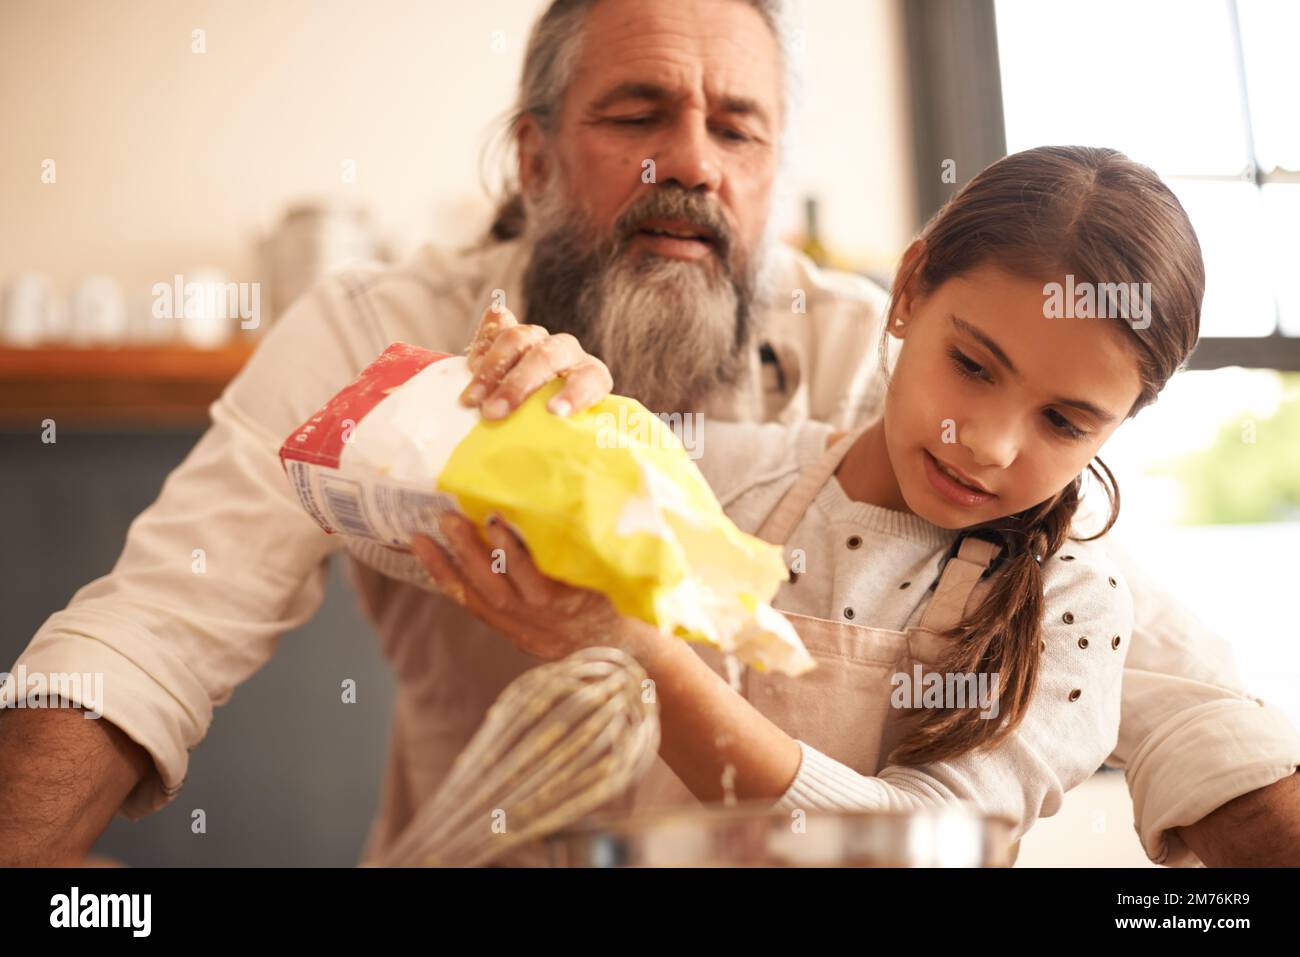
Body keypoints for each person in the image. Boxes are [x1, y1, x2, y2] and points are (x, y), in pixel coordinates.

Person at [2, 0, 1297, 867]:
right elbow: (151, 636)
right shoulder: (377, 338)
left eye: (740, 128)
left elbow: (1184, 701)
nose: (694, 163)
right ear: (533, 157)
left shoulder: (880, 359)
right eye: (637, 116)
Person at [412, 144, 1205, 857]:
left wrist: (651, 657)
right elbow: (451, 503)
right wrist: (518, 404)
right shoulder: (716, 475)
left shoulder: (1077, 605)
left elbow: (909, 845)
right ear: (907, 291)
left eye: (1064, 421)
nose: (989, 442)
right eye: (972, 364)